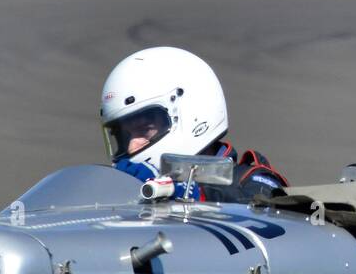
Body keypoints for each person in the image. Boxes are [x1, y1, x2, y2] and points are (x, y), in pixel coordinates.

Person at [100, 46, 288, 200]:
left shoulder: (253, 181)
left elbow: (266, 210)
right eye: (125, 136)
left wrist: (188, 193)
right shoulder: (127, 187)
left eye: (144, 130)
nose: (132, 147)